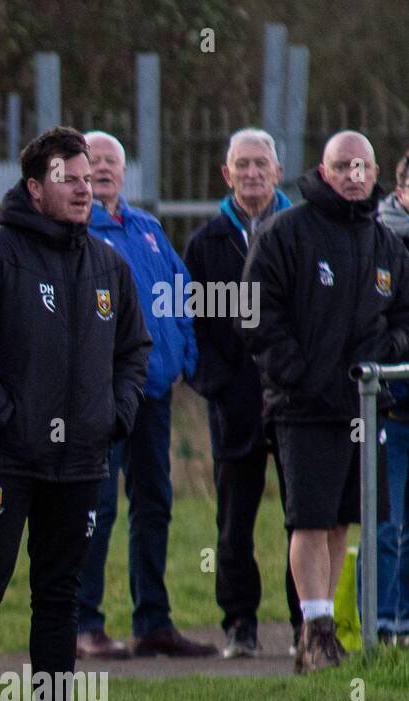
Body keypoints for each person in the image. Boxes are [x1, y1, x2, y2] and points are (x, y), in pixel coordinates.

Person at [0, 126, 151, 701]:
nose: (83, 190)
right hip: (3, 460)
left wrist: (116, 412)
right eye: (68, 179)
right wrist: (7, 413)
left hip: (80, 462)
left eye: (88, 180)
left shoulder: (110, 265)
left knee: (60, 597)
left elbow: (135, 351)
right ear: (34, 187)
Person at [242, 130, 409, 672]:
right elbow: (255, 316)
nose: (354, 176)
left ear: (375, 170)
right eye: (343, 166)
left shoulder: (385, 243)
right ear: (323, 168)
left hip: (364, 407)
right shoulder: (286, 233)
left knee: (342, 520)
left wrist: (383, 360)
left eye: (363, 166)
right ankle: (311, 630)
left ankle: (325, 634)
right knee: (309, 520)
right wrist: (301, 376)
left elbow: (403, 318)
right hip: (303, 408)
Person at [73, 131, 213, 659]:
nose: (105, 169)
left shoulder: (149, 230)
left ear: (125, 171)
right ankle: (84, 624)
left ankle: (153, 622)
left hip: (153, 395)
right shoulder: (74, 232)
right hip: (99, 398)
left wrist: (185, 358)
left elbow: (183, 296)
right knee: (97, 506)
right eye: (95, 161)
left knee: (154, 504)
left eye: (113, 161)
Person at [184, 128, 302, 658]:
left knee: (307, 517)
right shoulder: (206, 244)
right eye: (242, 164)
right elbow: (195, 328)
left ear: (278, 172)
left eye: (262, 164)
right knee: (234, 522)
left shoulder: (303, 232)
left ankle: (309, 624)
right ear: (225, 173)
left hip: (298, 402)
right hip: (234, 404)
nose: (252, 173)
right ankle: (239, 624)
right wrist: (216, 385)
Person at [364, 151, 409, 647]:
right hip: (390, 403)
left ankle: (403, 625)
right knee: (384, 523)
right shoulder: (383, 243)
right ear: (400, 191)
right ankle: (379, 625)